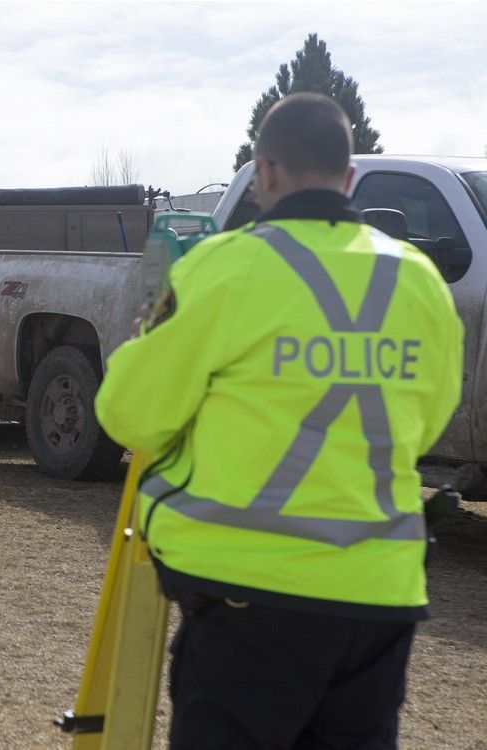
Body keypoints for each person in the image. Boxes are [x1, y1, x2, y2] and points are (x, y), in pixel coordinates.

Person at [94, 92, 464, 749]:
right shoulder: (421, 283)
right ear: (349, 177)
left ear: (264, 170)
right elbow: (426, 424)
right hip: (380, 600)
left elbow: (132, 415)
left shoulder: (225, 268)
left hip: (248, 603)